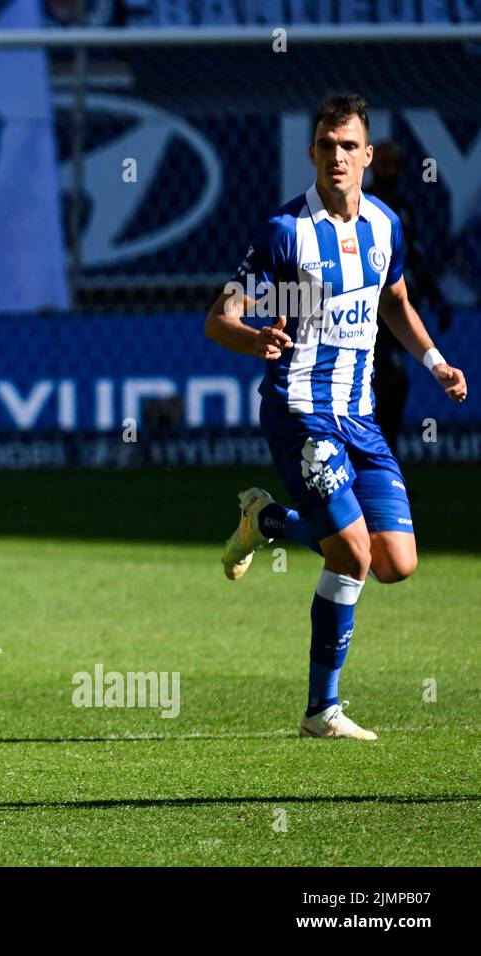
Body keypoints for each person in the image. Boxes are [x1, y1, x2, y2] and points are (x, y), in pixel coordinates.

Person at [204, 95, 467, 740]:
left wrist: (435, 362)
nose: (337, 156)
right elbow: (218, 319)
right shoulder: (285, 232)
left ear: (369, 155)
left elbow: (396, 302)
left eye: (349, 146)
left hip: (361, 418)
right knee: (349, 553)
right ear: (312, 153)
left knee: (395, 563)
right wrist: (255, 337)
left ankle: (264, 518)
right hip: (299, 414)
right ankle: (322, 711)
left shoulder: (385, 225)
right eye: (326, 145)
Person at [364, 139, 455, 451]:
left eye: (396, 165)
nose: (390, 171)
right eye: (384, 164)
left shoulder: (402, 212)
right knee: (386, 383)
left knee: (392, 384)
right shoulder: (360, 205)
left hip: (395, 308)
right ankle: (376, 462)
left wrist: (436, 298)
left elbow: (414, 258)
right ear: (372, 165)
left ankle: (382, 462)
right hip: (365, 310)